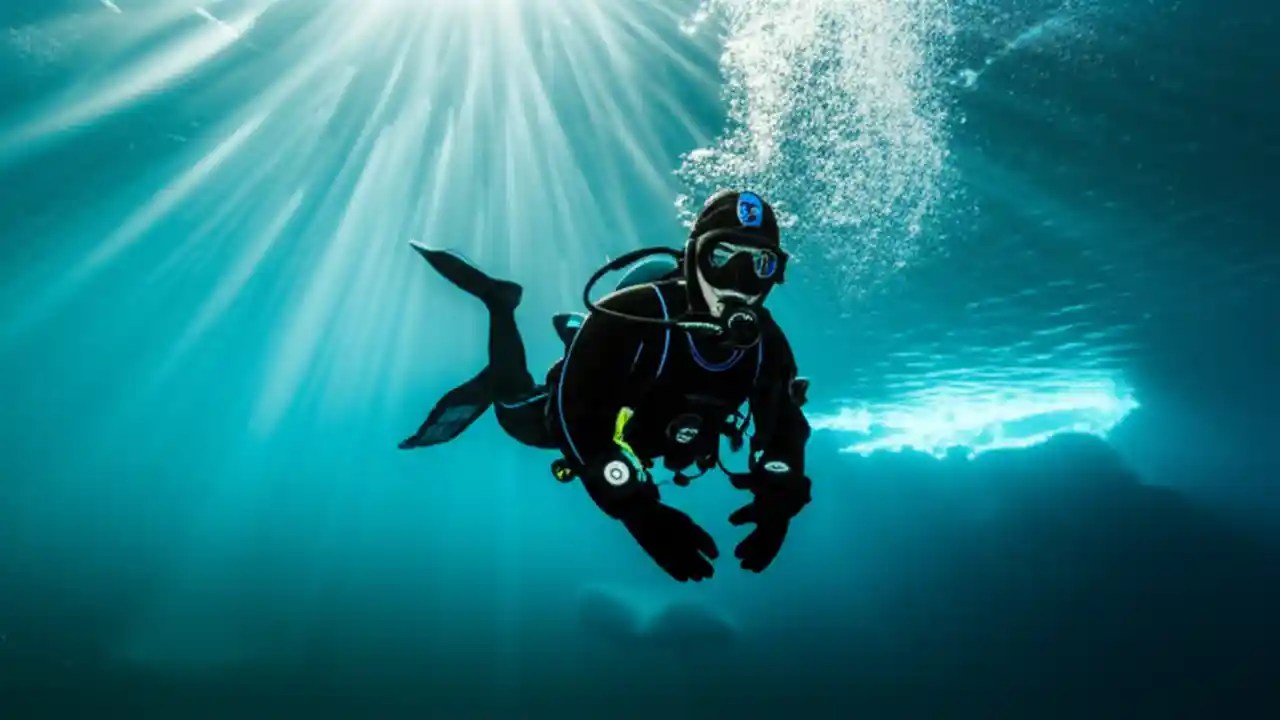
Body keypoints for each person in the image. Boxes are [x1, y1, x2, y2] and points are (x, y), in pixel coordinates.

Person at [399, 190, 813, 581]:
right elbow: (573, 416)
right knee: (513, 409)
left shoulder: (767, 345)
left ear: (776, 273)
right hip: (584, 406)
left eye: (761, 263)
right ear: (692, 258)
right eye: (721, 256)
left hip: (651, 434)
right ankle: (499, 303)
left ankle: (576, 338)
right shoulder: (629, 314)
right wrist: (635, 508)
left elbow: (783, 426)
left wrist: (781, 495)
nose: (739, 280)